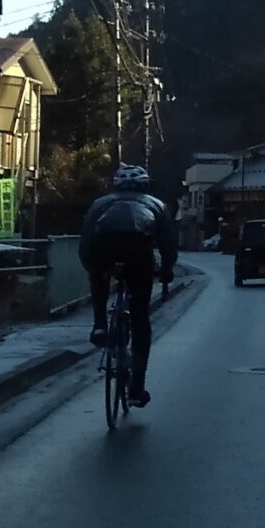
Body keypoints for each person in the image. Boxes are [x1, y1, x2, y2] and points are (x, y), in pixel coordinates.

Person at [80, 163, 178, 405]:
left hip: (105, 249)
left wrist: (93, 271)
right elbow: (168, 244)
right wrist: (166, 270)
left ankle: (100, 325)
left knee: (99, 277)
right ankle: (136, 389)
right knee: (140, 318)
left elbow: (86, 243)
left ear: (116, 186)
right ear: (145, 186)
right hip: (139, 253)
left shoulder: (100, 204)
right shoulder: (156, 204)